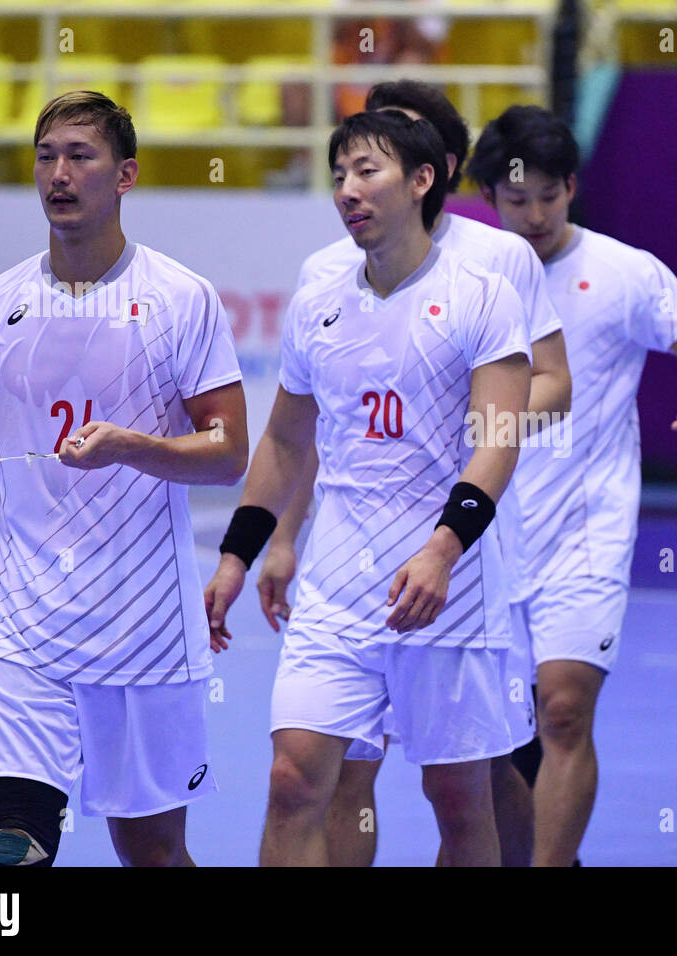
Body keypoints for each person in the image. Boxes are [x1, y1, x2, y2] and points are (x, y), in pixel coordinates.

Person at [0, 91, 248, 867]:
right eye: (47, 155)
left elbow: (229, 452)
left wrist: (130, 448)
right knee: (13, 852)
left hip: (145, 630)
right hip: (24, 626)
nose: (59, 172)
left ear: (126, 175)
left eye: (81, 155)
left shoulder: (182, 300)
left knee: (152, 855)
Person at [204, 109, 532, 866]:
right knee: (292, 780)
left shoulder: (484, 295)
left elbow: (499, 441)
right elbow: (286, 441)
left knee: (457, 799)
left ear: (423, 180)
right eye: (340, 175)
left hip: (445, 590)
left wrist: (443, 549)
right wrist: (236, 555)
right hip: (338, 587)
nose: (348, 191)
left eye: (368, 172)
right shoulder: (320, 298)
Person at [470, 105, 677, 866]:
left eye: (549, 198)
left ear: (571, 189)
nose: (533, 216)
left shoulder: (624, 271)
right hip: (483, 532)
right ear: (489, 195)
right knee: (495, 735)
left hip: (586, 532)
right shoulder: (463, 274)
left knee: (561, 710)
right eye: (516, 199)